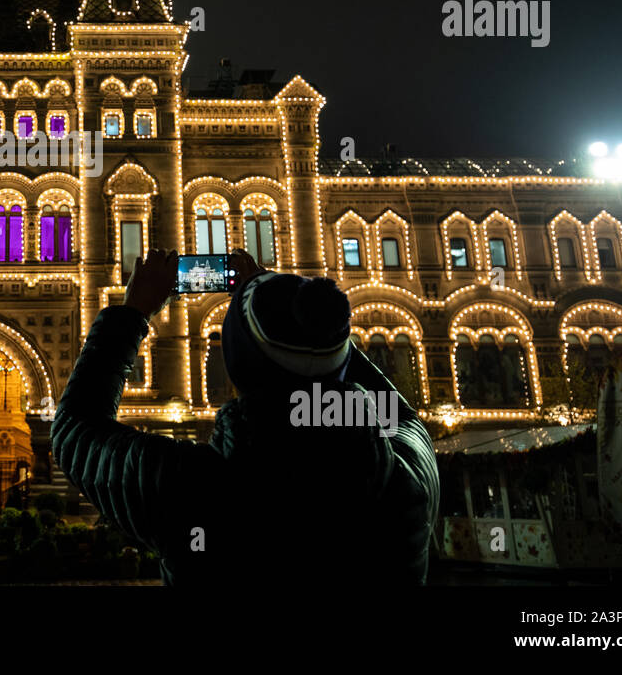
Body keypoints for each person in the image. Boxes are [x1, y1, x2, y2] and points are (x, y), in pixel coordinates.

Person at [50, 248, 440, 586]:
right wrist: (312, 322)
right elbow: (398, 413)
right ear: (337, 346)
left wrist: (133, 311)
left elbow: (74, 429)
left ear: (239, 365)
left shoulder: (190, 486)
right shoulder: (407, 479)